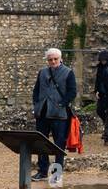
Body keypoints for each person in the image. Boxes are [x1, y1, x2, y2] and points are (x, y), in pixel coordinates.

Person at [32, 48, 78, 182]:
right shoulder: (42, 72)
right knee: (41, 143)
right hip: (43, 113)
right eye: (50, 59)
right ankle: (42, 171)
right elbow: (36, 90)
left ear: (60, 59)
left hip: (59, 115)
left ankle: (57, 174)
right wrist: (36, 105)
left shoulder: (68, 72)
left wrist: (62, 104)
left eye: (55, 59)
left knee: (59, 145)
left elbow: (72, 92)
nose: (53, 61)